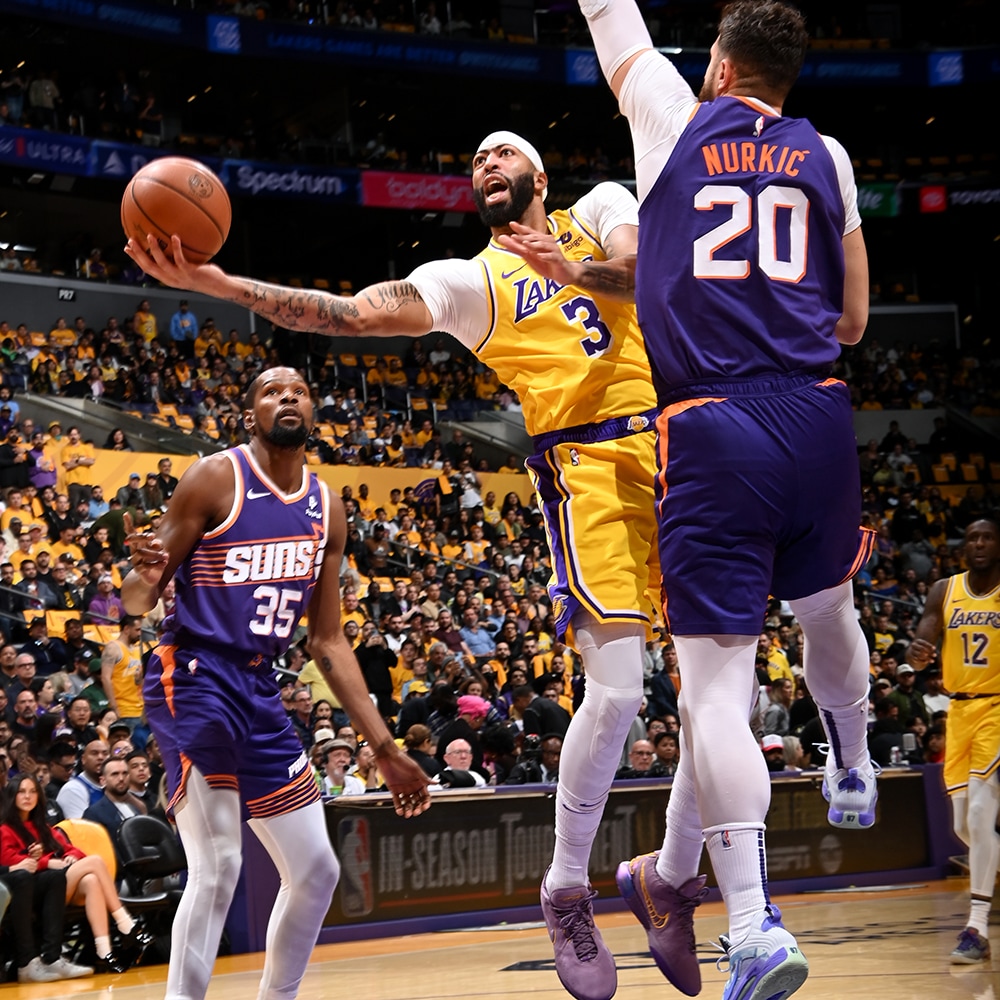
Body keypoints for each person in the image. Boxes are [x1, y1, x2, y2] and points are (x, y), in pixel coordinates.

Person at [126, 132, 660, 1000]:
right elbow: (346, 313)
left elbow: (645, 273)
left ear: (539, 174)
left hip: (676, 439)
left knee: (723, 675)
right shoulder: (468, 283)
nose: (485, 163)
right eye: (474, 159)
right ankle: (576, 885)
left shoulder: (598, 208)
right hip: (586, 467)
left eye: (501, 153)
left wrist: (569, 268)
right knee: (219, 866)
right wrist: (222, 286)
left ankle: (698, 879)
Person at [576, 2, 874, 998]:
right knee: (829, 605)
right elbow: (853, 318)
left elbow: (612, 18)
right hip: (819, 411)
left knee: (715, 692)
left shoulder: (672, 117)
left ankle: (752, 927)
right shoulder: (827, 155)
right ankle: (852, 755)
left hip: (714, 423)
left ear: (717, 67)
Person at [121, 366, 431, 1000]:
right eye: (271, 391)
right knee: (219, 864)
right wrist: (143, 577)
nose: (287, 396)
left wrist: (385, 748)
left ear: (312, 412)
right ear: (250, 415)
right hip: (196, 673)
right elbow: (135, 600)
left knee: (316, 870)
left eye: (298, 391)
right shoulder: (215, 477)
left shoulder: (327, 507)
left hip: (260, 687)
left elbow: (328, 642)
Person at [908, 518, 1000, 964]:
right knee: (964, 827)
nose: (979, 543)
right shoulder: (944, 590)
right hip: (958, 711)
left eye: (987, 537)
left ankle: (976, 928)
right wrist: (917, 652)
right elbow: (924, 637)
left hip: (997, 708)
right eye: (972, 537)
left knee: (981, 816)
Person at [1, 774, 151, 973]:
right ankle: (125, 923)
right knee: (95, 862)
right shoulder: (5, 829)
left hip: (57, 886)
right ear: (12, 796)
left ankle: (104, 952)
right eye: (22, 792)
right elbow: (8, 862)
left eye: (32, 791)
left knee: (91, 881)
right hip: (34, 891)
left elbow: (73, 850)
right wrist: (47, 862)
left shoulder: (43, 827)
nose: (28, 796)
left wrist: (71, 856)